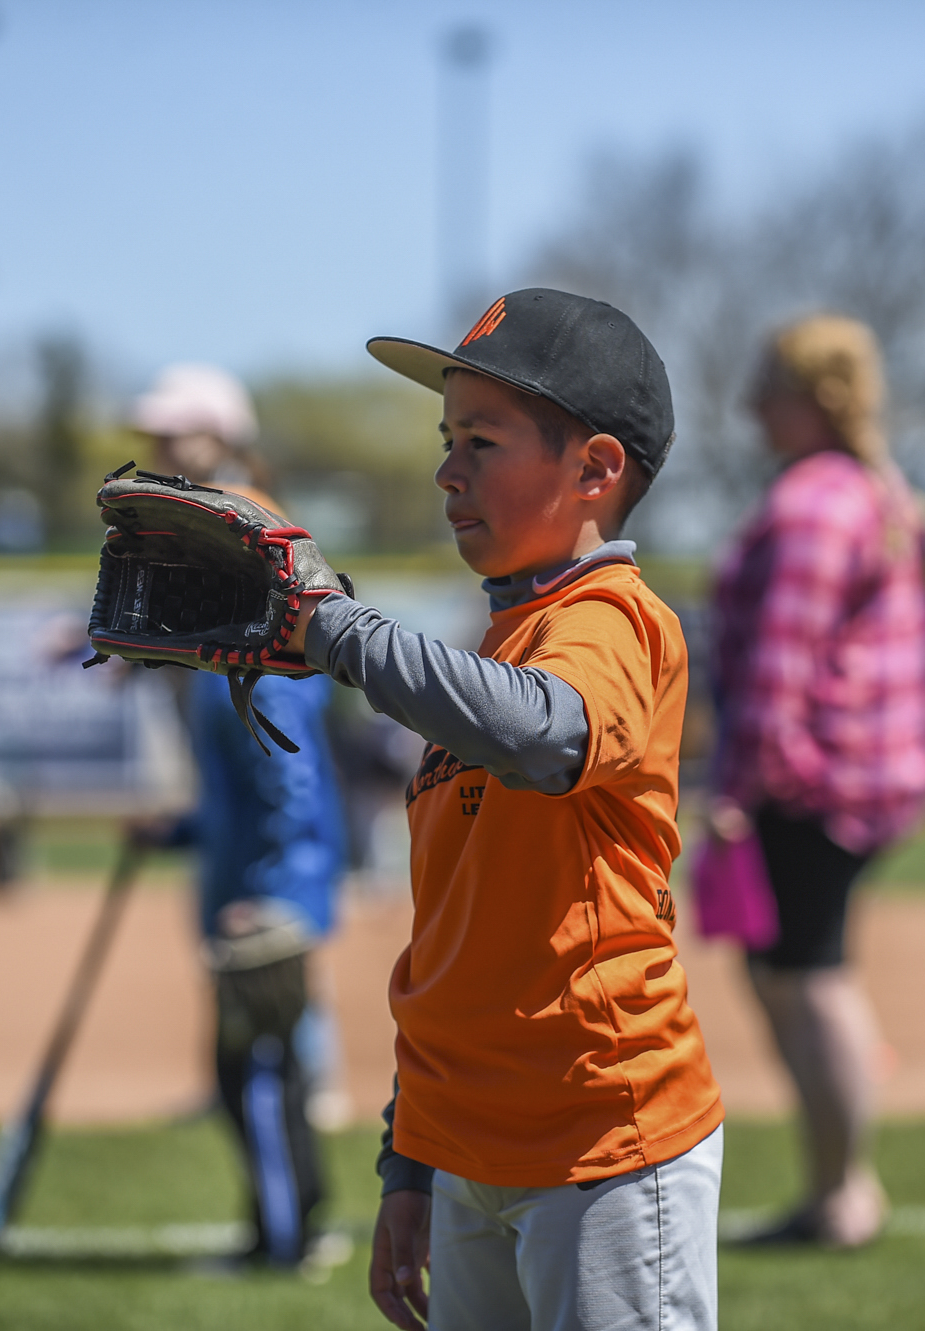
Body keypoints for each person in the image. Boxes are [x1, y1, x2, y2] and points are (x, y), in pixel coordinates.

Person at [283, 289, 722, 1330]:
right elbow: (453, 943)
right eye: (447, 438)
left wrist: (331, 627)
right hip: (469, 1144)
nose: (447, 470)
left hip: (597, 1143)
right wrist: (409, 1159)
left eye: (480, 439)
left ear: (595, 469)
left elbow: (544, 729)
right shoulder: (496, 650)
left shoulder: (611, 619)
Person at [705, 314, 925, 1249]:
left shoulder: (811, 503)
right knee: (792, 969)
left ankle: (844, 1192)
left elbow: (779, 660)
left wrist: (740, 785)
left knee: (811, 973)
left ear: (819, 398)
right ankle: (837, 1182)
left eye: (772, 383)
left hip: (811, 782)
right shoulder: (878, 493)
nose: (754, 402)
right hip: (864, 774)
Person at [126, 363, 351, 1267]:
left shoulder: (262, 578)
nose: (163, 456)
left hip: (268, 888)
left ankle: (286, 1239)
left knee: (256, 1071)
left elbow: (289, 769)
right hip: (243, 873)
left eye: (182, 439)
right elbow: (240, 779)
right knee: (252, 1069)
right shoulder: (208, 597)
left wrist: (281, 892)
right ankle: (289, 1227)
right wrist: (179, 831)